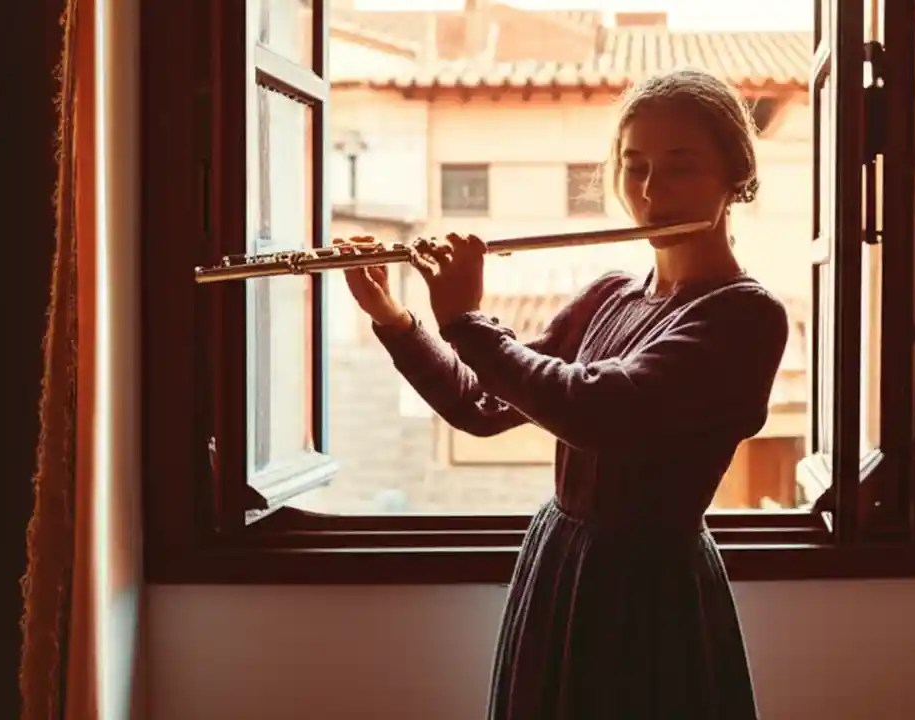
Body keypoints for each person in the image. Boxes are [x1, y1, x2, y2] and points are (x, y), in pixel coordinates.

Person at [336, 67, 788, 719]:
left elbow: (600, 409)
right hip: (561, 565)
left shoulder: (742, 317)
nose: (653, 191)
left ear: (734, 176)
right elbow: (483, 407)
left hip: (648, 588)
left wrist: (467, 321)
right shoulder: (609, 294)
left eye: (680, 167)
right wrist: (394, 320)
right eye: (634, 168)